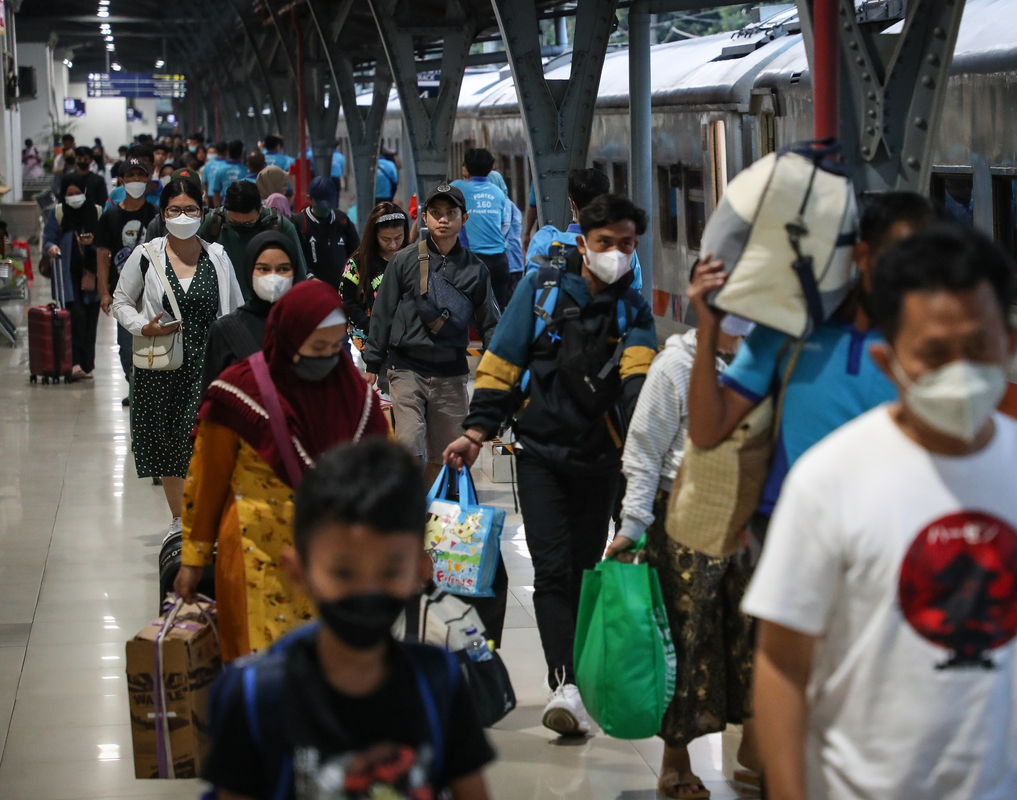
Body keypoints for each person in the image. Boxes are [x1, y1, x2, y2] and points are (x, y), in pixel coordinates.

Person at [744, 225, 1017, 800]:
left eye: (978, 348)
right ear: (889, 362)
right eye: (934, 355)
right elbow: (782, 664)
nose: (960, 373)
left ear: (1010, 345)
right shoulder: (828, 480)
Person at [443, 194, 657, 736]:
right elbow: (502, 363)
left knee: (585, 571)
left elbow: (639, 388)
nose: (616, 253)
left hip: (600, 462)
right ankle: (565, 684)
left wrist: (647, 452)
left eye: (626, 244)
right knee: (552, 571)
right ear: (583, 241)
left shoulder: (633, 310)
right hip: (539, 456)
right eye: (606, 242)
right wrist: (476, 430)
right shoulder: (537, 295)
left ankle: (577, 682)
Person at [199, 439, 494, 800]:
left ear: (421, 570)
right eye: (343, 573)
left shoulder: (438, 681)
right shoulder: (252, 695)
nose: (367, 591)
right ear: (298, 572)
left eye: (390, 571)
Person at [689, 192, 935, 540]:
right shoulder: (788, 331)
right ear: (862, 256)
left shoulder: (929, 344)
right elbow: (706, 430)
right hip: (789, 528)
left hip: (887, 532)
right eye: (901, 259)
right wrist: (709, 328)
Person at [175, 279, 392, 660]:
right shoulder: (237, 393)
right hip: (254, 557)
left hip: (338, 566)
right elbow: (206, 479)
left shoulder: (357, 399)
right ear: (289, 338)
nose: (326, 358)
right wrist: (193, 560)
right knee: (260, 681)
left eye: (333, 347)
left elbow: (386, 478)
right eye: (315, 348)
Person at [606, 284, 757, 799]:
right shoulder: (675, 367)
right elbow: (644, 451)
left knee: (750, 637)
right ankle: (675, 760)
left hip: (749, 519)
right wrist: (631, 525)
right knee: (687, 640)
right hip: (685, 519)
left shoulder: (765, 360)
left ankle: (757, 751)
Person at [112, 179, 245, 538]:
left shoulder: (216, 256)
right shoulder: (145, 256)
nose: (183, 216)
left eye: (190, 209)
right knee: (168, 441)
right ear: (163, 213)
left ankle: (206, 512)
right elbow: (120, 303)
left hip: (209, 365)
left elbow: (235, 311)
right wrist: (143, 327)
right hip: (163, 363)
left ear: (202, 213)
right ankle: (178, 518)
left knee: (203, 440)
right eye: (175, 209)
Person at [365, 184, 499, 485]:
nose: (443, 220)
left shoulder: (476, 270)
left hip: (450, 373)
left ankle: (429, 513)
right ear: (424, 218)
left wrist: (497, 370)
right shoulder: (404, 260)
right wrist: (372, 363)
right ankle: (410, 513)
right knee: (408, 446)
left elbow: (490, 322)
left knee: (445, 455)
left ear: (464, 218)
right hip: (406, 367)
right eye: (435, 213)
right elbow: (383, 312)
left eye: (451, 213)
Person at [199, 230, 298, 391]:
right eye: (263, 269)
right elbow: (211, 400)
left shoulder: (305, 325)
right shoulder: (225, 330)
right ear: (249, 271)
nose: (273, 277)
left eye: (283, 269)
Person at [97, 160, 160, 404]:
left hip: (154, 293)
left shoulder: (155, 214)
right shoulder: (111, 216)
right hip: (124, 294)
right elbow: (102, 256)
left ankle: (144, 391)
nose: (135, 180)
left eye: (140, 175)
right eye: (130, 175)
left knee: (153, 343)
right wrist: (104, 292)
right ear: (121, 180)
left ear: (148, 179)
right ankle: (134, 383)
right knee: (126, 347)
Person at [525, 167, 643, 292]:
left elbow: (528, 291)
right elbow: (635, 295)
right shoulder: (622, 248)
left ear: (572, 204)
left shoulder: (545, 242)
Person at [201, 180, 308, 298]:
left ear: (261, 208)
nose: (242, 228)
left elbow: (300, 277)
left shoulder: (280, 227)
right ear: (225, 210)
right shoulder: (213, 224)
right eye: (234, 223)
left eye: (249, 223)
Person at [43, 173, 103, 381]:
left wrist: (93, 243)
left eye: (78, 193)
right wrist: (52, 248)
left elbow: (105, 239)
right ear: (63, 194)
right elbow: (48, 239)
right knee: (74, 316)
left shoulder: (95, 212)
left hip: (91, 274)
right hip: (67, 275)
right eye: (70, 193)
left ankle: (87, 365)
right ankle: (74, 362)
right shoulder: (58, 214)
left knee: (90, 320)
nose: (74, 197)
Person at [450, 148, 513, 309]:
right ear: (490, 169)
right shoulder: (498, 193)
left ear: (466, 168)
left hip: (473, 260)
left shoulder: (457, 187)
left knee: (471, 312)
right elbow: (501, 224)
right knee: (498, 311)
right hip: (500, 260)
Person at [341, 202, 408, 352]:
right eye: (385, 239)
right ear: (374, 235)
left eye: (398, 237)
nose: (393, 245)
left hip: (408, 341)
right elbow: (348, 303)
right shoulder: (358, 263)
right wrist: (372, 327)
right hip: (372, 340)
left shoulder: (412, 258)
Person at [292, 175, 360, 289]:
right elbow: (295, 257)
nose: (325, 209)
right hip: (311, 289)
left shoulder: (342, 221)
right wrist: (309, 277)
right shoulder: (299, 224)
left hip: (341, 289)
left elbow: (356, 252)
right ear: (310, 198)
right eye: (321, 206)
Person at [486, 170, 526, 300]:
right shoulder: (510, 204)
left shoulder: (504, 204)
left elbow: (504, 227)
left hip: (509, 264)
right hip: (513, 262)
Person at [212, 139, 250, 204]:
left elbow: (216, 193)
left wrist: (217, 210)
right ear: (241, 154)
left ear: (228, 152)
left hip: (226, 206)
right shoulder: (247, 170)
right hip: (244, 206)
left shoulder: (220, 170)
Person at [203, 141, 229, 207]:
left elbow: (205, 183)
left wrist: (206, 196)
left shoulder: (208, 165)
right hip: (224, 196)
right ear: (227, 151)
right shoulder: (228, 165)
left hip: (210, 195)